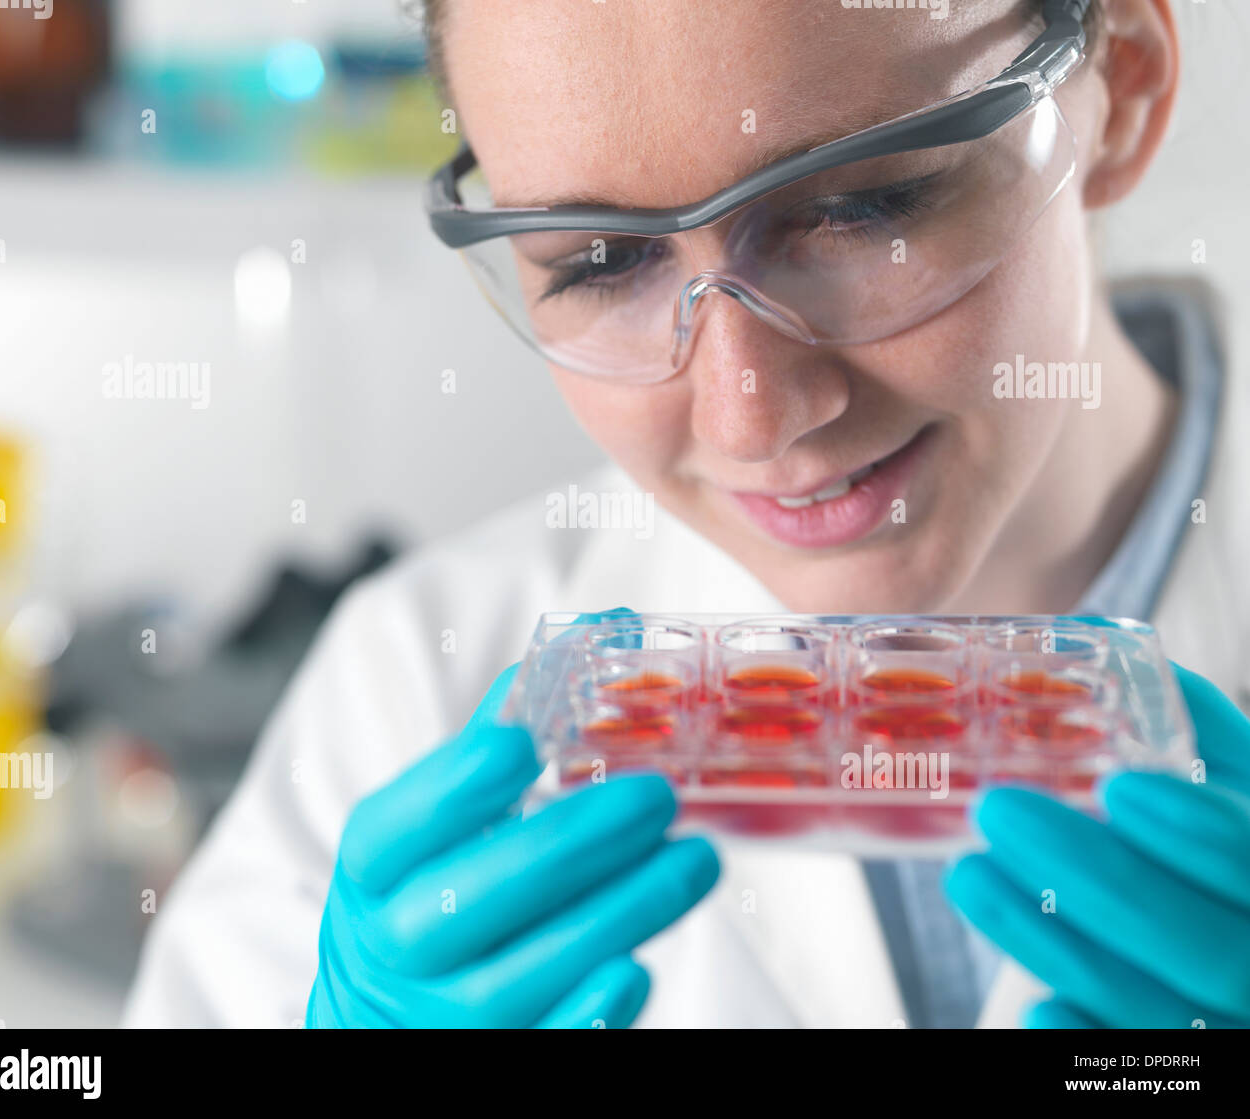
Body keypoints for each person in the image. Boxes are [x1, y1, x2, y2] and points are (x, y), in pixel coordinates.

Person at [123, 0, 1250, 1028]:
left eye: (862, 210)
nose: (751, 414)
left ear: (1125, 93)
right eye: (601, 261)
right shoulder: (410, 683)